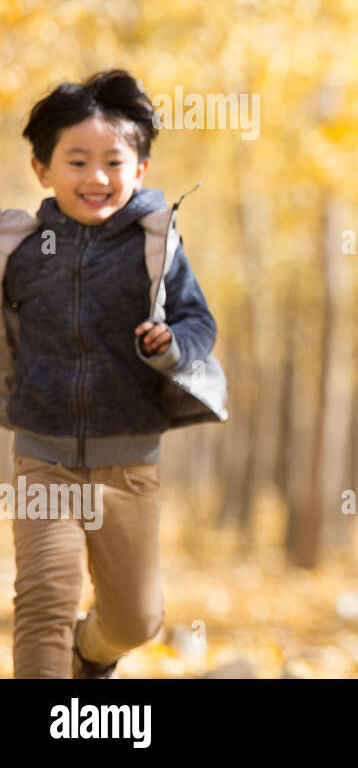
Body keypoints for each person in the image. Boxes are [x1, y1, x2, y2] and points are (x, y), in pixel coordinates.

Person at [4, 69, 226, 678]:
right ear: (42, 170)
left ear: (141, 169)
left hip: (128, 462)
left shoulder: (155, 247)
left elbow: (198, 323)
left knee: (135, 621)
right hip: (42, 455)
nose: (96, 177)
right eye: (77, 161)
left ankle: (89, 652)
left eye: (113, 162)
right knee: (44, 601)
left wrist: (170, 345)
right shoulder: (22, 249)